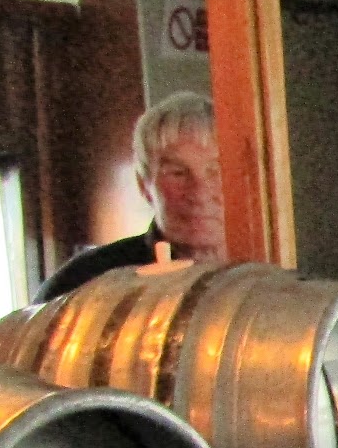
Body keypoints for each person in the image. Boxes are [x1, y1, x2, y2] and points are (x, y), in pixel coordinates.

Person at [36, 90, 226, 302]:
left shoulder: (263, 271)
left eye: (215, 171)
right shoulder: (84, 282)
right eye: (177, 173)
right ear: (144, 185)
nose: (199, 192)